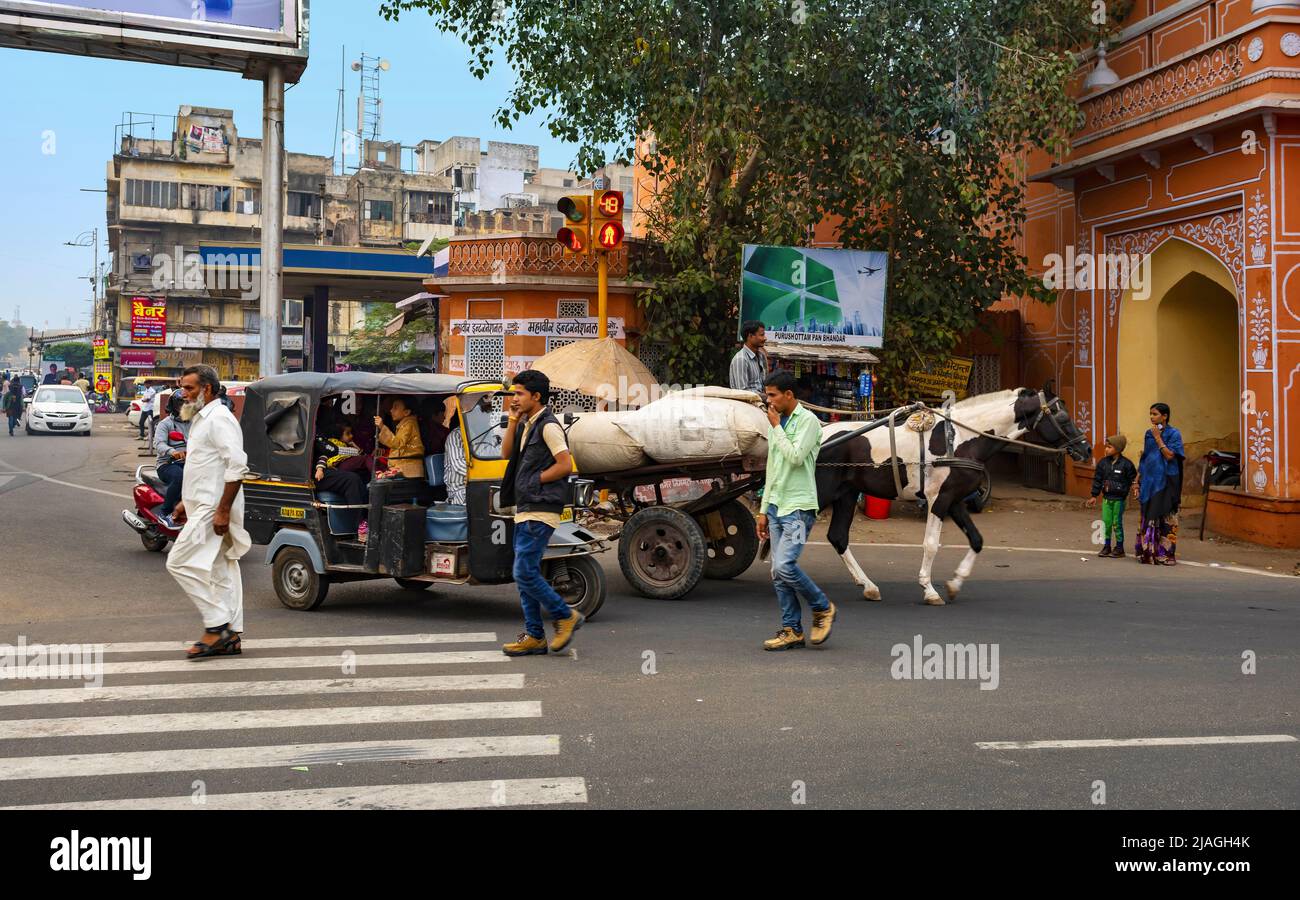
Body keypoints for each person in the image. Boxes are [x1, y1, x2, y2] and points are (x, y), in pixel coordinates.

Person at [166, 365, 250, 660]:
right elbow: (203, 467)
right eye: (182, 388)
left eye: (189, 388)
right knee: (221, 569)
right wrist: (182, 503)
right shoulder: (201, 419)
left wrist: (223, 511)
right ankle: (232, 635)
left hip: (214, 508)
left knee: (178, 562)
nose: (183, 394)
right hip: (202, 505)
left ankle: (217, 626)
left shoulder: (219, 419)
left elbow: (237, 465)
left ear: (208, 390)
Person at [498, 369, 584, 657]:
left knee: (523, 571)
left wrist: (535, 481)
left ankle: (565, 615)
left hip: (540, 507)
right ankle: (535, 636)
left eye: (519, 393)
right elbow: (505, 453)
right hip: (525, 508)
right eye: (513, 392)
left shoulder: (548, 426)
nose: (514, 398)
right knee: (526, 575)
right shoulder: (527, 425)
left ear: (536, 396)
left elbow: (565, 464)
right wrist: (512, 420)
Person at [759, 369, 835, 651]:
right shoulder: (776, 421)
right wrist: (763, 509)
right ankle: (792, 630)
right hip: (777, 505)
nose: (769, 401)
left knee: (785, 565)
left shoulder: (809, 423)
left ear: (788, 395)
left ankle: (822, 606)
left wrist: (777, 427)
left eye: (772, 395)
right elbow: (773, 467)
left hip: (800, 508)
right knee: (778, 574)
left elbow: (794, 458)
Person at [1134, 403, 1184, 565]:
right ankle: (1148, 553)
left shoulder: (1174, 434)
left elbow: (1170, 456)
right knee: (1149, 516)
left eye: (1155, 414)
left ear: (1165, 416)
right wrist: (1136, 481)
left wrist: (1158, 438)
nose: (1151, 417)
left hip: (1167, 481)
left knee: (1167, 517)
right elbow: (1146, 458)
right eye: (1150, 414)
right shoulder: (1148, 434)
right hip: (1149, 482)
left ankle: (1166, 554)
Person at [1086, 434, 1137, 558]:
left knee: (1116, 523)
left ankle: (1119, 548)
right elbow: (1097, 480)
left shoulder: (1127, 464)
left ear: (1118, 449)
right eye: (1106, 447)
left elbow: (1134, 479)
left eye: (1109, 447)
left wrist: (1136, 489)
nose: (1106, 449)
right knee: (1106, 523)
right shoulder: (1103, 463)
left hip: (1119, 500)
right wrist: (1094, 496)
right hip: (1106, 500)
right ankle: (1106, 546)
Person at [313, 422, 369, 531]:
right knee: (351, 479)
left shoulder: (320, 437)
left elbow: (324, 454)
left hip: (322, 469)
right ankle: (359, 524)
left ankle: (365, 519)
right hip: (313, 474)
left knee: (359, 477)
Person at [153, 392, 190, 530]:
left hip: (189, 462)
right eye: (181, 403)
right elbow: (159, 444)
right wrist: (173, 452)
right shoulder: (165, 424)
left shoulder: (194, 423)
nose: (185, 406)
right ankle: (165, 512)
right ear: (173, 406)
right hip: (167, 464)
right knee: (180, 476)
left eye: (187, 403)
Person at [373, 396, 425, 479]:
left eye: (395, 408)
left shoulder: (409, 424)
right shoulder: (406, 424)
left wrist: (382, 426)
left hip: (408, 470)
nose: (391, 410)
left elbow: (397, 443)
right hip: (406, 466)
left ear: (406, 412)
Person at [729, 320, 769, 397]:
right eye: (761, 335)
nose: (765, 338)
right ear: (750, 336)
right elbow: (741, 392)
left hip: (761, 401)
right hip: (746, 405)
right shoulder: (741, 359)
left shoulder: (761, 356)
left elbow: (765, 384)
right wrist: (764, 396)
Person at [443, 406, 467, 506]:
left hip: (476, 484)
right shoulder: (455, 436)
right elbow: (459, 465)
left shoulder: (483, 434)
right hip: (459, 490)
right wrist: (481, 475)